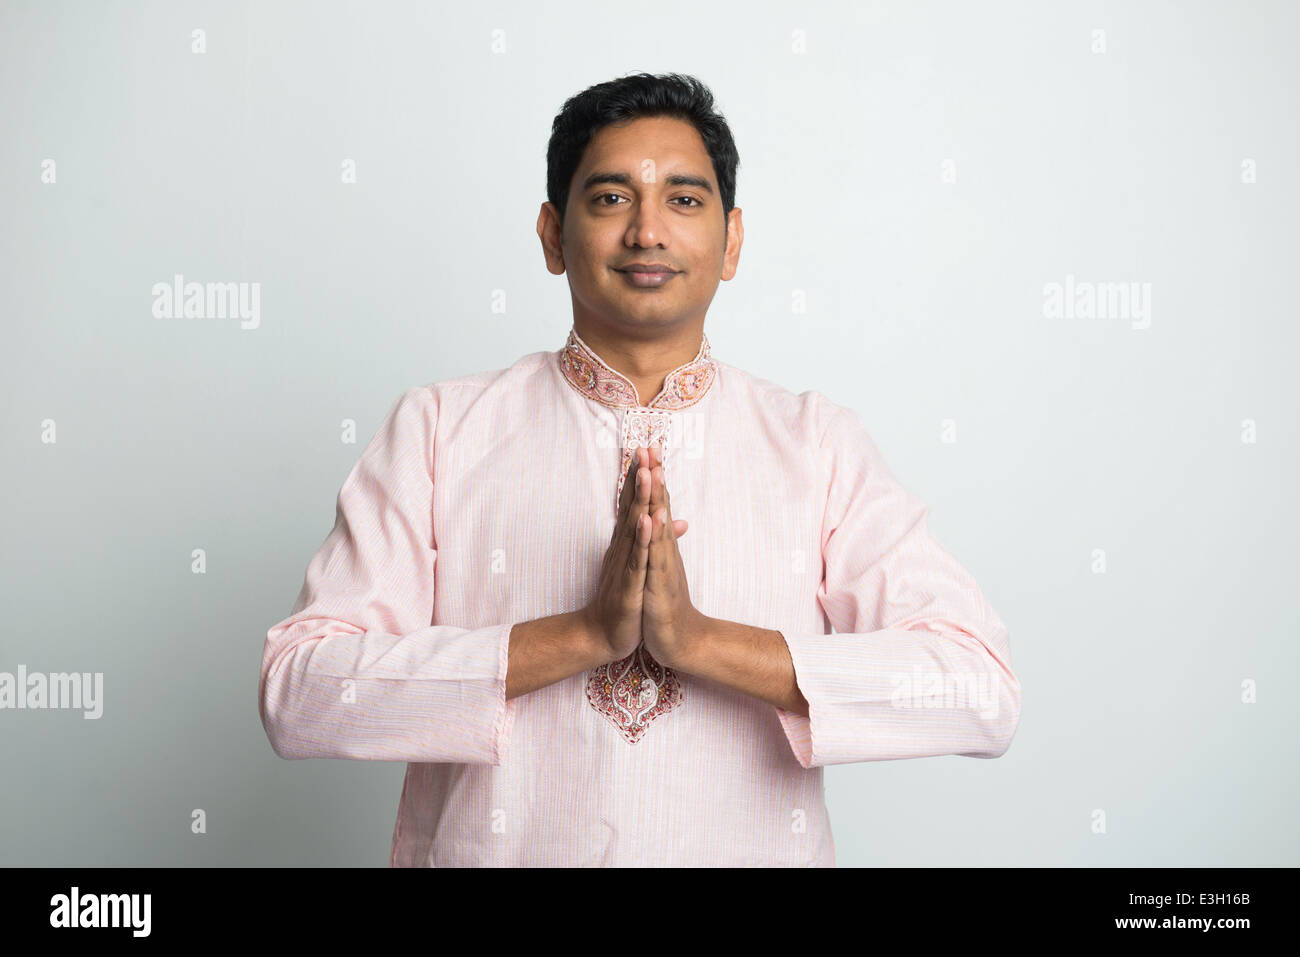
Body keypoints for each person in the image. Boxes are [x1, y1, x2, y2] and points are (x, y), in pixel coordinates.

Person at [258, 72, 1022, 867]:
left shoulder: (815, 443)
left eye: (684, 201)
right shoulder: (441, 429)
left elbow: (980, 687)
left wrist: (703, 641)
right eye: (612, 198)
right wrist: (580, 635)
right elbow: (299, 692)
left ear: (731, 242)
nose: (648, 231)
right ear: (553, 236)